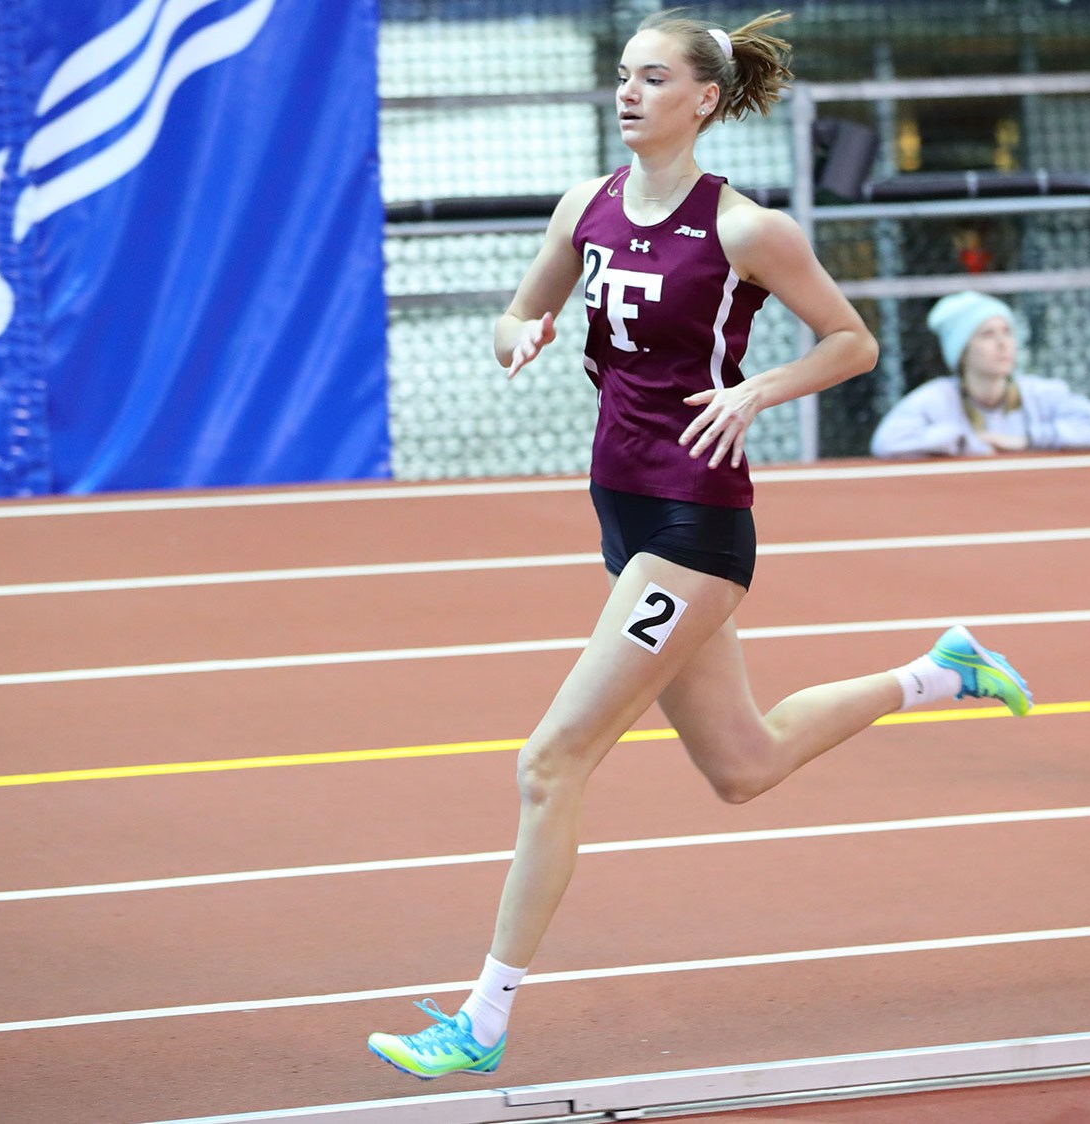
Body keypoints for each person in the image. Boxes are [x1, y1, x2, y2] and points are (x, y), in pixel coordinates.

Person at [365, 9, 1035, 1081]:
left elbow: (851, 340)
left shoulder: (745, 229)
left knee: (549, 760)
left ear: (702, 100)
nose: (627, 93)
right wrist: (519, 334)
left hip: (693, 520)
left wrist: (758, 388)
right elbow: (515, 311)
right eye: (622, 76)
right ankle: (938, 671)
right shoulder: (583, 205)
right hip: (622, 512)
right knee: (742, 764)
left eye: (651, 77)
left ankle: (481, 1020)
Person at [870, 291, 1090, 457]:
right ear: (961, 352)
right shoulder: (935, 399)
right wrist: (962, 440)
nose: (1002, 343)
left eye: (1007, 332)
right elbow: (886, 442)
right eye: (987, 335)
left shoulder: (1041, 394)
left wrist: (1029, 440)